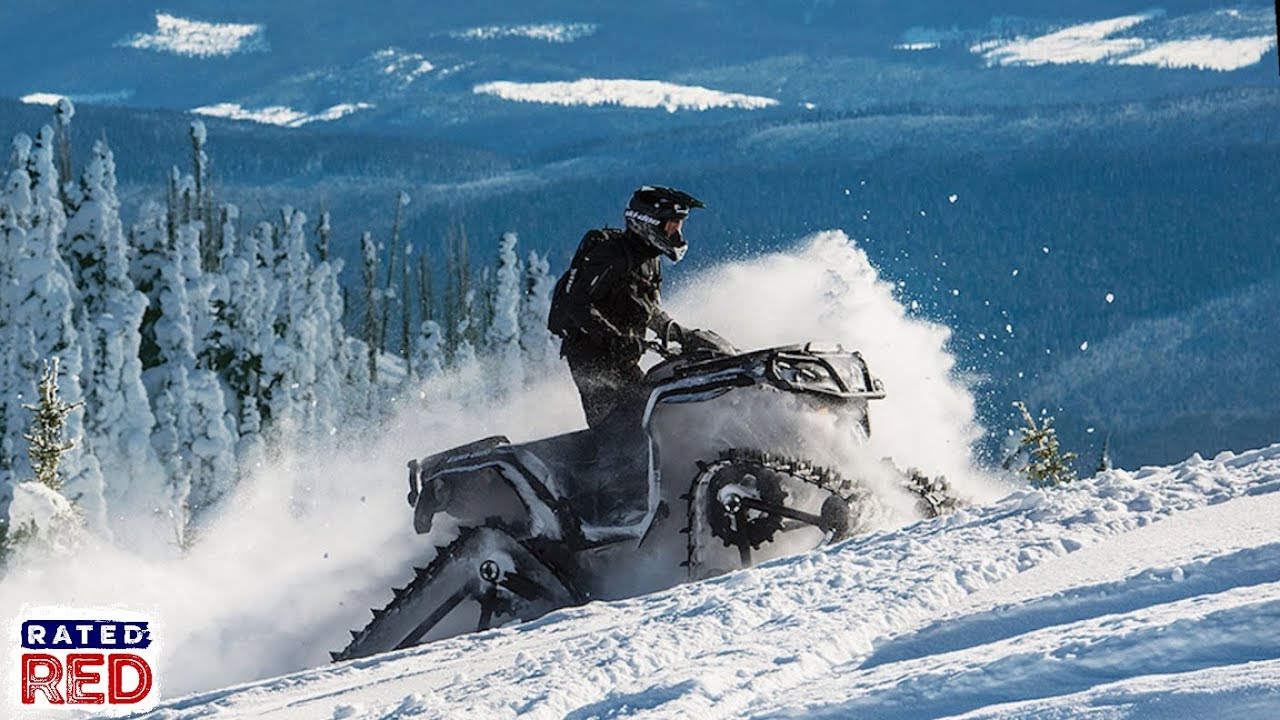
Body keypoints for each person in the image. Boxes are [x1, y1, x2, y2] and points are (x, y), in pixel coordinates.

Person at [547, 185, 726, 431]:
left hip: (621, 355)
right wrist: (613, 339)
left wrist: (679, 333)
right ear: (649, 223)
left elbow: (645, 309)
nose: (676, 233)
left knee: (652, 413)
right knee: (620, 429)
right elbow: (576, 304)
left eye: (679, 226)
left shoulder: (648, 258)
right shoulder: (611, 255)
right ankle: (606, 466)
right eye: (671, 226)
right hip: (590, 356)